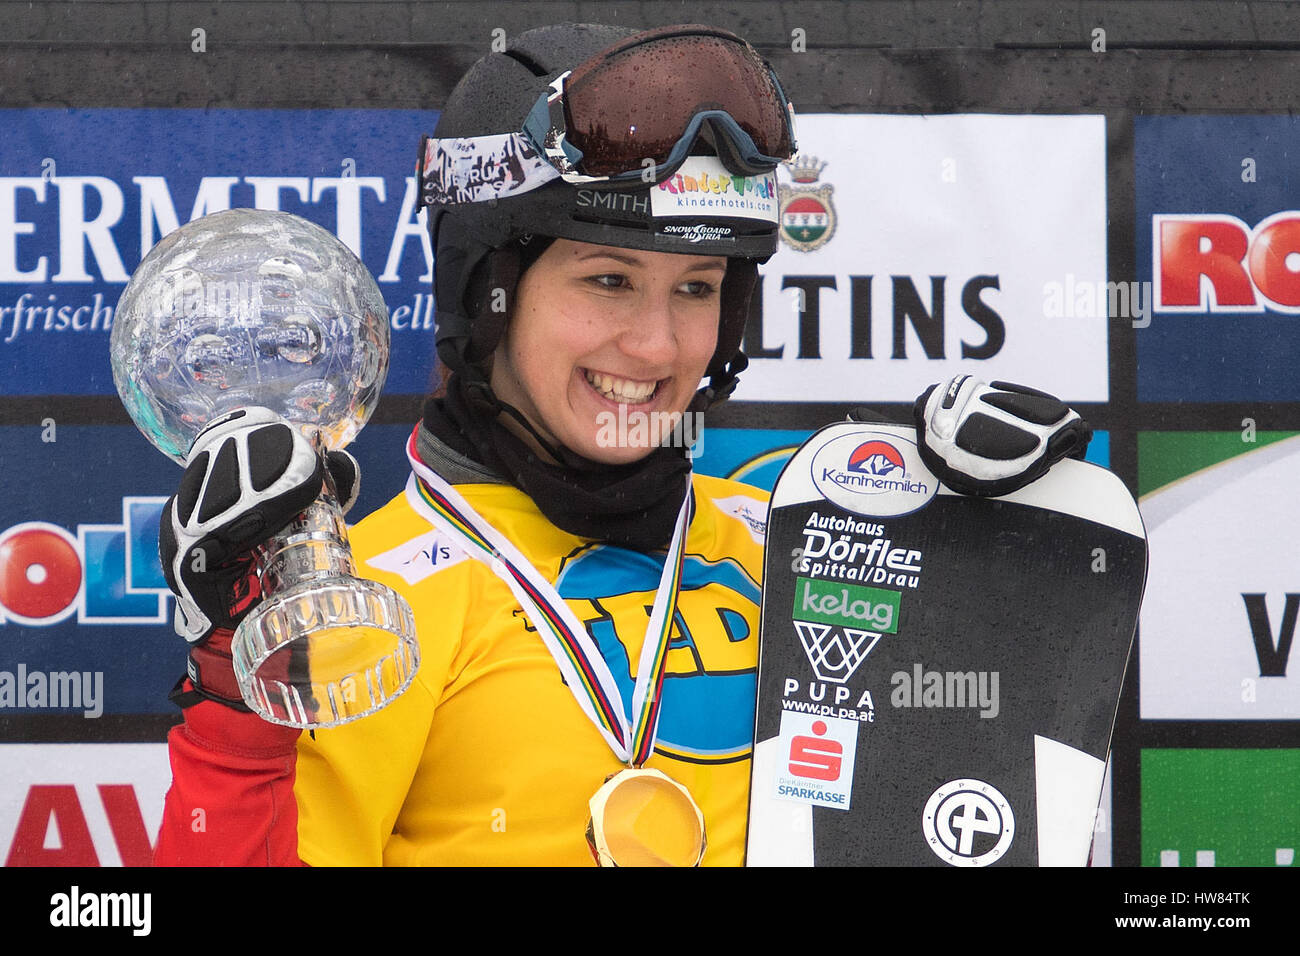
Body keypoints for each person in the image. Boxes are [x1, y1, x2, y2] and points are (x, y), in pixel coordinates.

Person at [151, 22, 1089, 867]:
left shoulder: (803, 550)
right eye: (607, 279)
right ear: (490, 293)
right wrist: (238, 709)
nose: (657, 347)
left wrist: (986, 572)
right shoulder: (371, 612)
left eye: (697, 287)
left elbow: (958, 828)